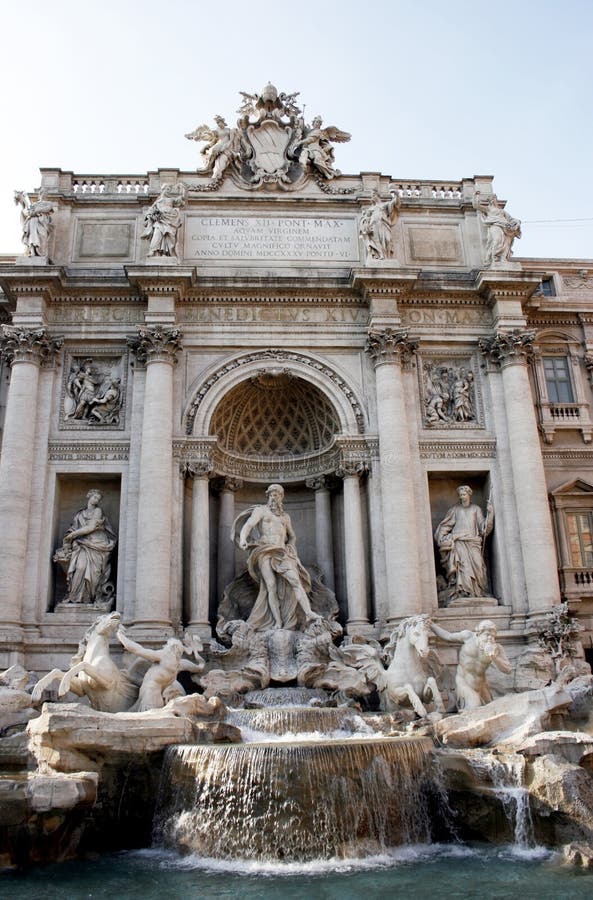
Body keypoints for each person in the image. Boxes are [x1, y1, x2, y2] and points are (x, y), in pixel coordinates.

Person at [233, 484, 321, 631]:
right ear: (268, 496)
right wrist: (243, 538)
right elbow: (248, 525)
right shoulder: (261, 511)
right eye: (272, 494)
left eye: (278, 495)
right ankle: (277, 622)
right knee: (271, 586)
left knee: (295, 581)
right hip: (264, 551)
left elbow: (292, 536)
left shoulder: (285, 517)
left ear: (282, 497)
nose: (274, 497)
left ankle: (309, 612)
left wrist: (290, 547)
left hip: (281, 552)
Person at [430, 619, 511, 710]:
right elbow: (448, 636)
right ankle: (456, 696)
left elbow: (507, 669)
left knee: (491, 709)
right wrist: (431, 625)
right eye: (487, 635)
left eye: (492, 636)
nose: (490, 638)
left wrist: (494, 658)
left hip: (481, 685)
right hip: (463, 682)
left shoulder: (496, 648)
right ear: (478, 633)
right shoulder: (468, 637)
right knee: (474, 707)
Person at [116, 630, 204, 712]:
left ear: (172, 648)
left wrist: (121, 636)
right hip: (155, 696)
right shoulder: (180, 665)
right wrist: (196, 653)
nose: (165, 648)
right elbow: (200, 667)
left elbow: (138, 650)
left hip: (150, 695)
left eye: (167, 646)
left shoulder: (164, 657)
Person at [55, 490, 117, 604]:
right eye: (94, 497)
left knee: (95, 574)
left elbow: (90, 527)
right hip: (82, 544)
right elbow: (73, 528)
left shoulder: (98, 511)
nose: (96, 500)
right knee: (80, 568)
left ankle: (89, 599)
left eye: (98, 499)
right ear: (89, 497)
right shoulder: (80, 514)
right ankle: (75, 598)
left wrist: (73, 535)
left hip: (97, 544)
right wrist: (69, 537)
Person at [435, 485, 493, 599]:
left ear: (469, 494)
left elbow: (483, 528)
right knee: (463, 568)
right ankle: (464, 593)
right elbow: (445, 526)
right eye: (460, 495)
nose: (462, 497)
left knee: (478, 567)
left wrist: (490, 514)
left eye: (464, 494)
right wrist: (442, 537)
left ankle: (478, 592)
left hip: (473, 542)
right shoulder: (455, 510)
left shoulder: (476, 509)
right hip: (459, 542)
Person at [142, 183, 186, 258]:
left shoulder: (171, 200)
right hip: (160, 220)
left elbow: (181, 200)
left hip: (171, 220)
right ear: (163, 190)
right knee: (157, 234)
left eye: (169, 189)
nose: (168, 191)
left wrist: (183, 190)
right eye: (167, 189)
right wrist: (152, 216)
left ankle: (167, 252)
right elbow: (150, 211)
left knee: (170, 236)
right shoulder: (157, 202)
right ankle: (153, 251)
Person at [14, 188, 56, 258]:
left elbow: (47, 208)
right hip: (33, 221)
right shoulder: (35, 204)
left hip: (42, 223)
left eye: (45, 193)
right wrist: (23, 202)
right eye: (43, 193)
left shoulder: (49, 203)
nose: (44, 195)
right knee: (33, 237)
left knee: (43, 237)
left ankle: (42, 253)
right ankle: (33, 252)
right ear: (40, 195)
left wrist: (36, 211)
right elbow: (28, 212)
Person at [359, 192, 400, 260]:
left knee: (388, 239)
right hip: (374, 225)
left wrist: (396, 195)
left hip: (383, 224)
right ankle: (381, 255)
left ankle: (387, 256)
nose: (372, 197)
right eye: (372, 196)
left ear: (377, 196)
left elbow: (395, 203)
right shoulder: (370, 209)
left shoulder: (385, 204)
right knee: (376, 241)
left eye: (373, 195)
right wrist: (365, 225)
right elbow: (365, 219)